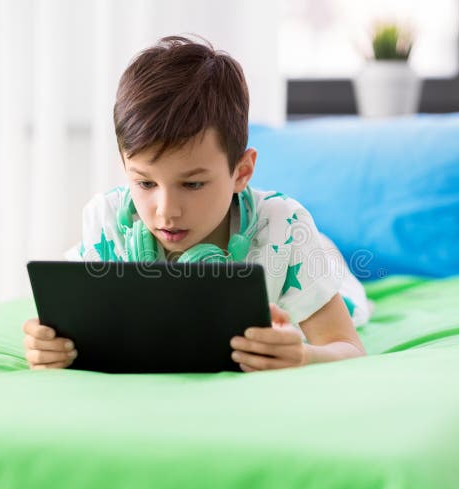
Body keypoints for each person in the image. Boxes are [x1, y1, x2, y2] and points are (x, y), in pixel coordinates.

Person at [23, 35, 372, 372]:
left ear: (242, 171)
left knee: (332, 272)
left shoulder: (285, 229)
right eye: (145, 182)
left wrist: (305, 356)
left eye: (192, 184)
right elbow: (74, 327)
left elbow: (349, 347)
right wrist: (50, 345)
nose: (166, 211)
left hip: (319, 262)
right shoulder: (107, 221)